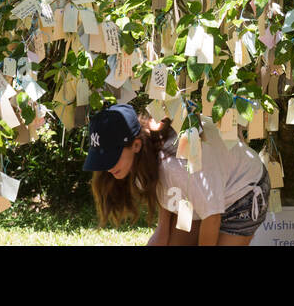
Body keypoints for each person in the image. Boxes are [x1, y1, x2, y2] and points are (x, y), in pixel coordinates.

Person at [85, 104, 270, 246]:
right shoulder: (144, 160)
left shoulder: (176, 164)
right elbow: (164, 229)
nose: (107, 167)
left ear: (135, 145)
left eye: (112, 157)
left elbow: (212, 217)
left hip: (243, 192)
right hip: (204, 196)